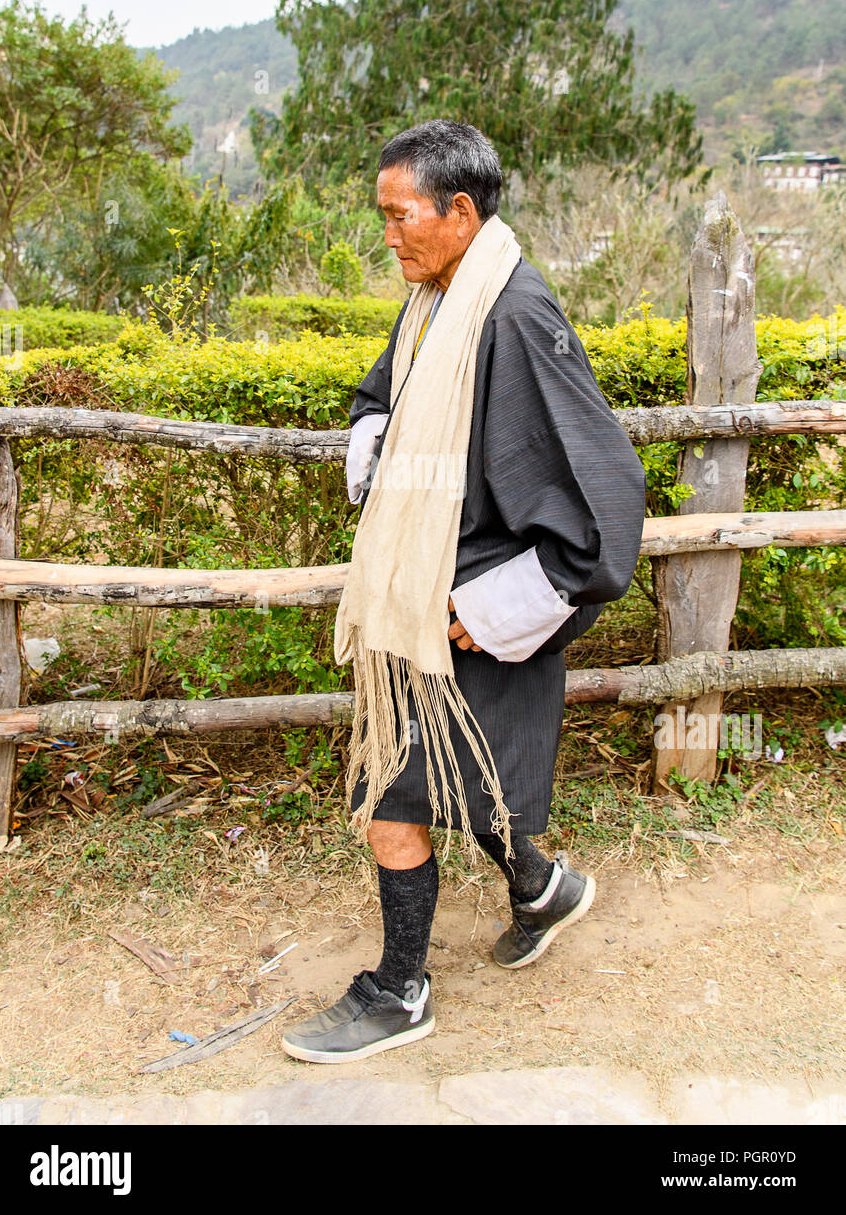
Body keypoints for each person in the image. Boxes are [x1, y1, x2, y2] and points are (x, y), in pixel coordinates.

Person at [280, 120, 647, 1065]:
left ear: (460, 210)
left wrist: (499, 611)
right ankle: (542, 889)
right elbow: (384, 398)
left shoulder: (516, 316)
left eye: (400, 217)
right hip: (424, 600)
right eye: (384, 217)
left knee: (389, 798)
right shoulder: (439, 299)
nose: (389, 237)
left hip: (471, 619)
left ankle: (402, 992)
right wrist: (376, 442)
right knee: (461, 780)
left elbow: (606, 499)